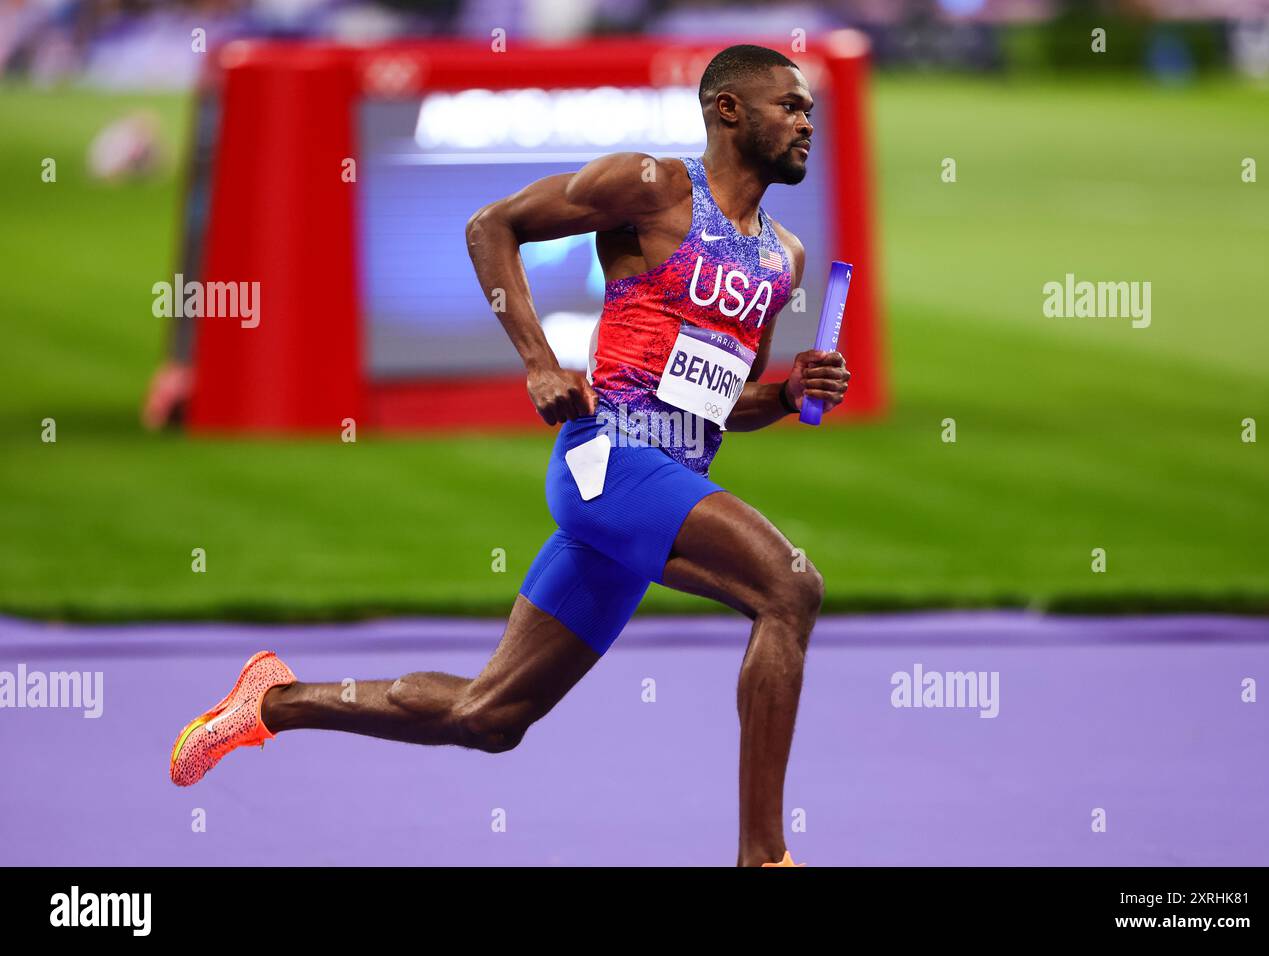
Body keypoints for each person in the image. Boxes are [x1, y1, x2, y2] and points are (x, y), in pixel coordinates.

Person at [169, 43, 851, 867]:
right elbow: (490, 226)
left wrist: (780, 396)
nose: (808, 122)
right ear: (729, 111)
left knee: (489, 718)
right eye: (791, 106)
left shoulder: (784, 258)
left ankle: (271, 703)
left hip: (663, 483)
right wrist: (537, 360)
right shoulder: (655, 186)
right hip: (609, 463)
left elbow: (719, 405)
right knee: (791, 587)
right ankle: (764, 858)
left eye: (810, 108)